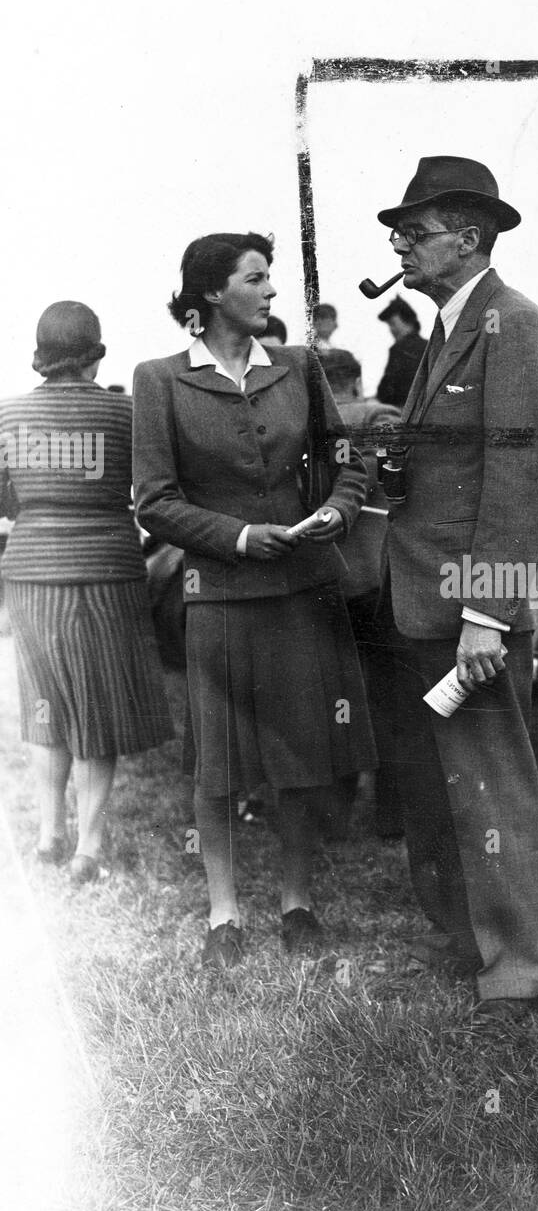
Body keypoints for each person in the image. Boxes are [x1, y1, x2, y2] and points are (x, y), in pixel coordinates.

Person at [132, 232, 376, 969]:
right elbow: (154, 501)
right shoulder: (159, 379)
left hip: (303, 591)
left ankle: (297, 903)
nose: (272, 292)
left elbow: (347, 461)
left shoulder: (299, 369)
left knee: (302, 755)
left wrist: (340, 507)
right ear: (211, 293)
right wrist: (238, 538)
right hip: (219, 594)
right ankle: (223, 913)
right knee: (220, 762)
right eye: (257, 278)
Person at [376, 155, 538, 1024]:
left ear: (470, 236)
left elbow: (525, 480)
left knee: (491, 784)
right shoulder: (452, 327)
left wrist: (488, 614)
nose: (400, 245)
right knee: (440, 781)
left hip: (467, 608)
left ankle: (515, 972)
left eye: (415, 232)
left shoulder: (510, 326)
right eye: (399, 233)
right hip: (424, 597)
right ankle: (466, 938)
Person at [0, 302, 173, 882]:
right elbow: (154, 492)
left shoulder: (7, 415)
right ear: (96, 352)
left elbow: (3, 502)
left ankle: (49, 834)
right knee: (97, 708)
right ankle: (89, 846)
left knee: (44, 706)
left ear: (41, 355)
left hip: (33, 570)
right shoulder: (126, 413)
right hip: (109, 567)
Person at [322, 352, 404, 840]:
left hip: (328, 585)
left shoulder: (309, 424)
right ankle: (391, 815)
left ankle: (333, 816)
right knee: (392, 700)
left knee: (337, 700)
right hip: (377, 582)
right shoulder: (379, 416)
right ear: (357, 380)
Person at [376, 296, 426, 407]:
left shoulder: (399, 349)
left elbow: (385, 392)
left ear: (408, 322)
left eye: (393, 323)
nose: (391, 330)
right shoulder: (430, 345)